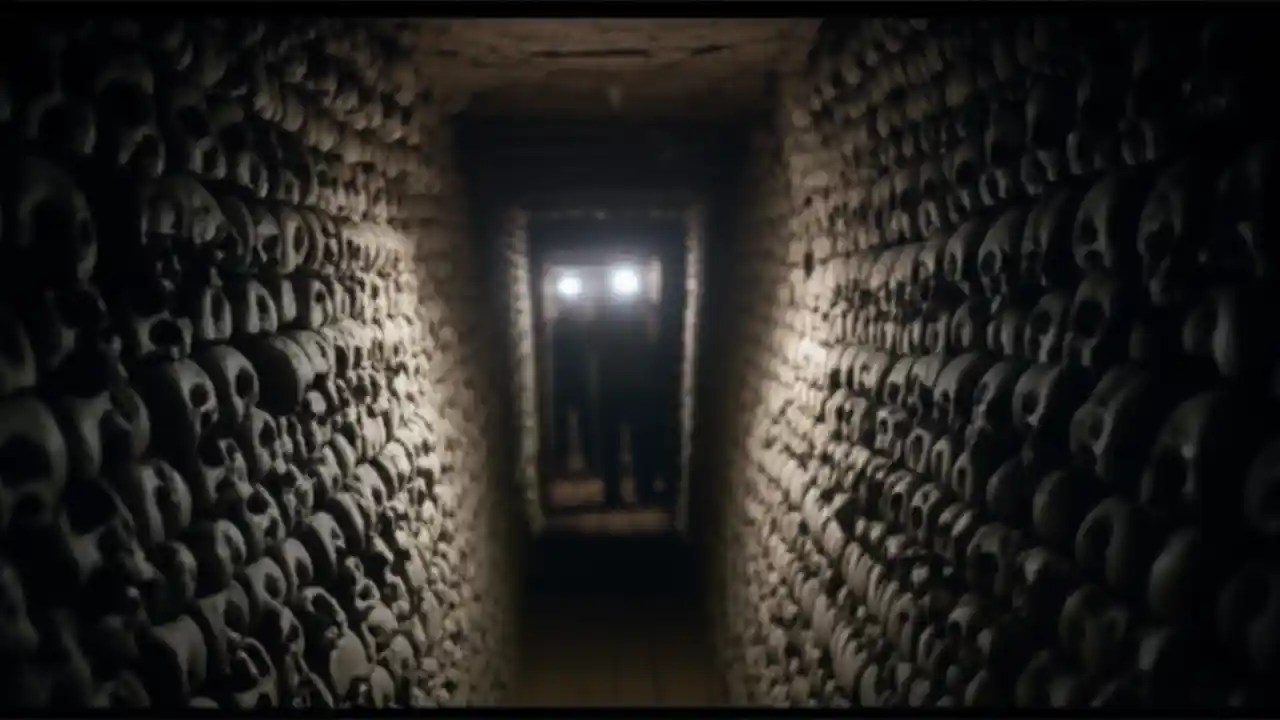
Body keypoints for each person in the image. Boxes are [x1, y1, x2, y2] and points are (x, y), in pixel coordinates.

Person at [596, 295, 660, 507]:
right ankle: (638, 490)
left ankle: (620, 492)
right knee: (633, 442)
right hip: (628, 389)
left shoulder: (613, 324)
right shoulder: (636, 324)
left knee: (623, 443)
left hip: (622, 389)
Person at [550, 301, 595, 478]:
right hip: (572, 380)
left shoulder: (560, 327)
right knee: (578, 423)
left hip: (568, 381)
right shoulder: (570, 327)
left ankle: (572, 462)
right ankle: (585, 461)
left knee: (580, 423)